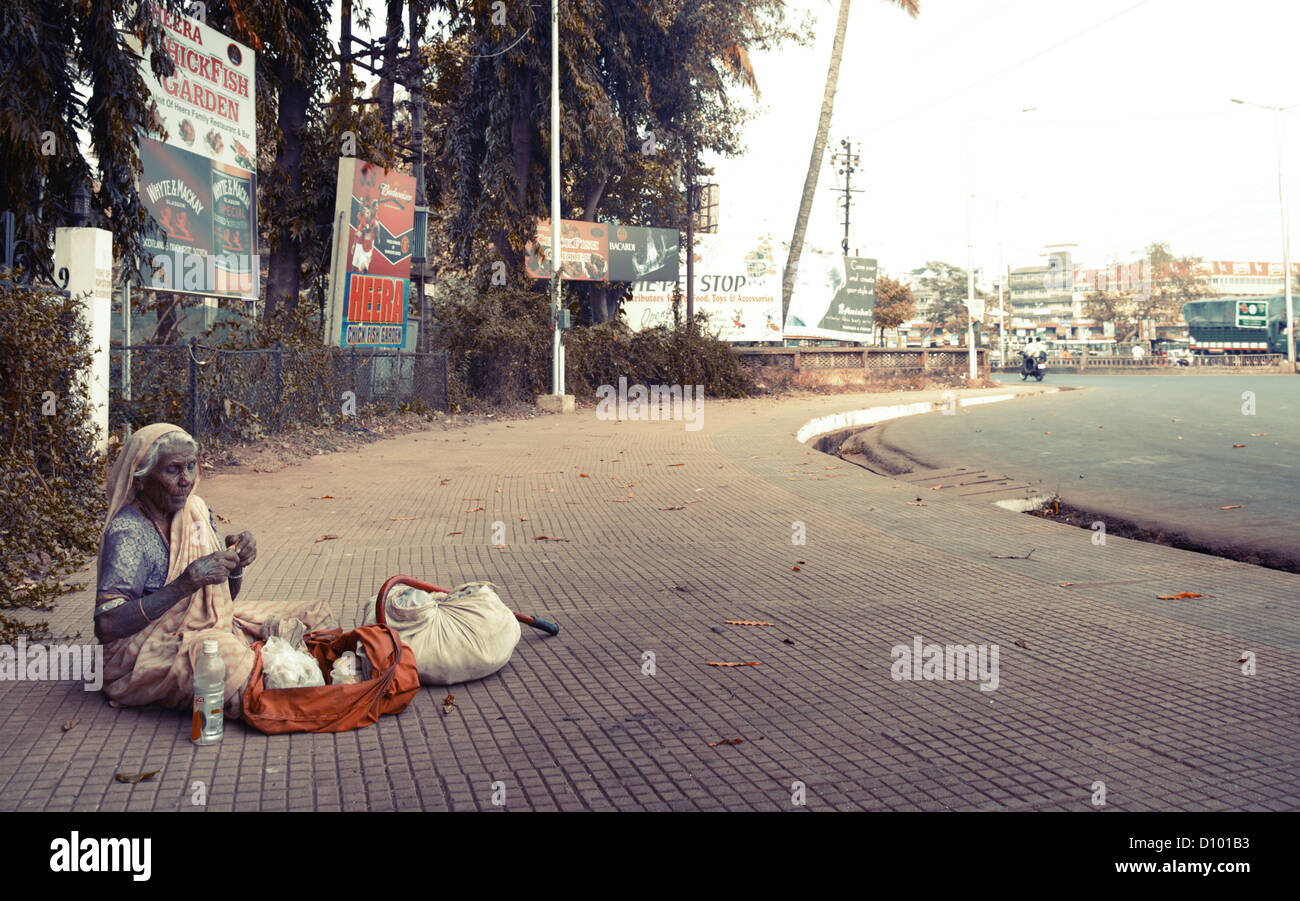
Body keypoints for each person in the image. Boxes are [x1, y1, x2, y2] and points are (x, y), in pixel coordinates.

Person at [95, 423, 336, 718]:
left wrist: (235, 564)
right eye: (172, 470)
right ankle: (274, 672)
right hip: (142, 652)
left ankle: (276, 670)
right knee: (224, 658)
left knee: (315, 613)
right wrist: (185, 584)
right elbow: (107, 626)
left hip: (207, 630)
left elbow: (220, 600)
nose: (186, 480)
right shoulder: (129, 531)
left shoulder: (194, 512)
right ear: (142, 480)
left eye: (190, 467)